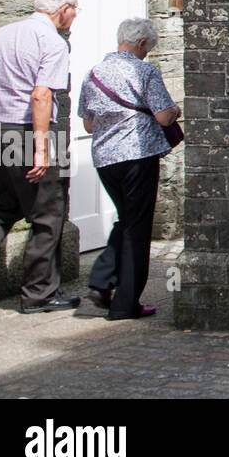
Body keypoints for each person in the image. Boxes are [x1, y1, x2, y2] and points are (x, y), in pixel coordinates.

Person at [0, 0, 81, 313]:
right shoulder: (52, 41)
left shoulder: (0, 35)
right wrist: (40, 150)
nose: (75, 16)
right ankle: (40, 294)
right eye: (75, 9)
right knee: (48, 213)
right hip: (27, 132)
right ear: (63, 10)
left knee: (1, 209)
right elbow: (41, 95)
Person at [77, 17, 181, 320]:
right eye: (149, 47)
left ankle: (101, 280)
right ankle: (125, 304)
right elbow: (163, 117)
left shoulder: (94, 73)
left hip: (105, 158)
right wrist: (176, 110)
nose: (148, 52)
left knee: (126, 219)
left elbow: (88, 122)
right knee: (137, 228)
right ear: (141, 44)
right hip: (138, 155)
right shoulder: (144, 70)